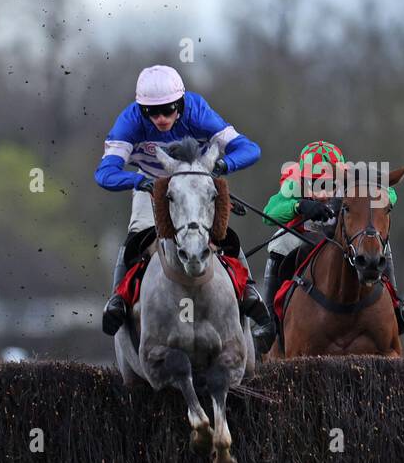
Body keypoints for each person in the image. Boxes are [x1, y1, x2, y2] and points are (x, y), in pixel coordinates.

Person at [94, 65, 273, 350]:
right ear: (141, 111)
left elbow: (250, 148)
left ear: (182, 104)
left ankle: (248, 290)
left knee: (222, 234)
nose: (161, 118)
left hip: (196, 182)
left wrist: (222, 165)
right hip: (153, 184)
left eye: (168, 109)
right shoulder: (129, 121)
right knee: (137, 235)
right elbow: (104, 173)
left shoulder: (198, 112)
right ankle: (118, 297)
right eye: (152, 112)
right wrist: (138, 181)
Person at [261, 140, 404, 335]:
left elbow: (390, 193)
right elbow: (269, 213)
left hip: (344, 237)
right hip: (305, 236)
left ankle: (396, 306)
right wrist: (298, 206)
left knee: (381, 243)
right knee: (279, 241)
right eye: (312, 182)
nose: (322, 193)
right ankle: (269, 320)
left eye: (329, 184)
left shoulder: (353, 177)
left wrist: (366, 198)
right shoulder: (292, 181)